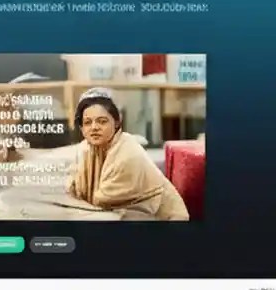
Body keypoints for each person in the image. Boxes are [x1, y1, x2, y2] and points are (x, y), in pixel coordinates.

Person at [68, 87, 190, 221]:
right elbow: (73, 190)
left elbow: (102, 199)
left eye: (102, 121)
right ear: (81, 128)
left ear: (116, 123)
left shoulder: (129, 152)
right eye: (87, 122)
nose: (94, 127)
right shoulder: (84, 150)